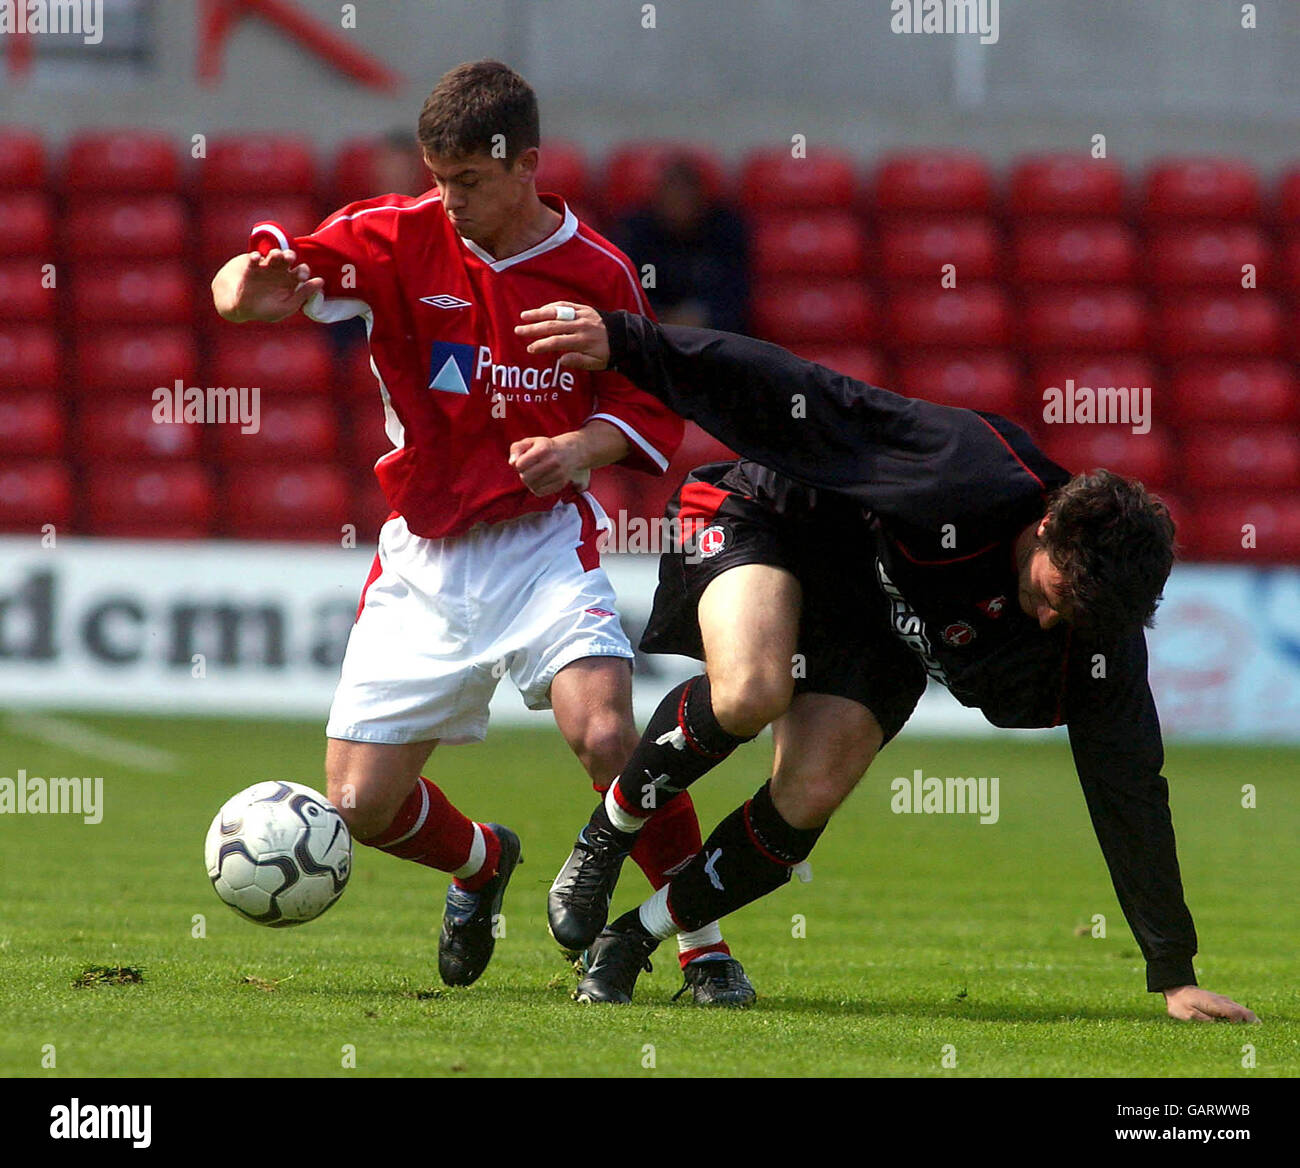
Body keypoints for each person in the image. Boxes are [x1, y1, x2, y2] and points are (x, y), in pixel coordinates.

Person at [519, 301, 1257, 1024]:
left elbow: (1129, 787)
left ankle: (634, 935)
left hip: (867, 625)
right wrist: (632, 342)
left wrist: (1174, 974)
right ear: (1047, 527)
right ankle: (605, 838)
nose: (1053, 621)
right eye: (1056, 594)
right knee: (751, 691)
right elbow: (798, 388)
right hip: (771, 520)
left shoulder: (1099, 627)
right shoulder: (962, 468)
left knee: (810, 793)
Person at [210, 61, 755, 1004]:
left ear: (525, 165)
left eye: (467, 179)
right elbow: (242, 294)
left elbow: (648, 409)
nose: (449, 198)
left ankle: (702, 949)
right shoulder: (393, 236)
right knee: (358, 805)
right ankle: (480, 861)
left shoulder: (599, 271)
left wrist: (578, 446)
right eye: (438, 177)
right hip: (422, 558)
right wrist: (250, 284)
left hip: (542, 545)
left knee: (608, 735)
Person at [614, 154, 750, 332]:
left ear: (701, 198)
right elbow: (637, 288)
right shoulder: (639, 234)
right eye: (672, 195)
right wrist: (660, 316)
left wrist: (701, 316)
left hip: (714, 333)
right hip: (653, 333)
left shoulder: (725, 230)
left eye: (686, 195)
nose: (679, 203)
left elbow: (733, 291)